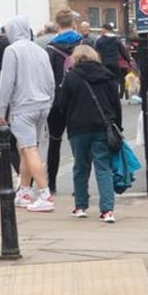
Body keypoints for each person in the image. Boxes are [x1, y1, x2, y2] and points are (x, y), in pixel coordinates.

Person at [48, 45, 122, 223]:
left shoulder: (72, 77)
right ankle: (107, 211)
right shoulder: (107, 75)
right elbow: (115, 104)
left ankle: (80, 206)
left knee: (80, 167)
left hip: (78, 129)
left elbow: (62, 104)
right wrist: (117, 126)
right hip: (103, 127)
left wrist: (69, 117)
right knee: (103, 168)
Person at [0, 15, 57, 212]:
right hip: (42, 106)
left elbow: (6, 84)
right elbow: (51, 81)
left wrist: (1, 112)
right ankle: (24, 191)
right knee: (24, 147)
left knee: (30, 149)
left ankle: (45, 195)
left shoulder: (11, 50)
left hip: (23, 107)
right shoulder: (40, 51)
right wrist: (49, 102)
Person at [45, 9, 82, 190]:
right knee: (80, 144)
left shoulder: (50, 49)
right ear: (73, 24)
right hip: (79, 100)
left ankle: (51, 184)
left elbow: (48, 78)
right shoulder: (84, 45)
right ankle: (80, 187)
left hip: (57, 102)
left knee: (54, 142)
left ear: (57, 25)